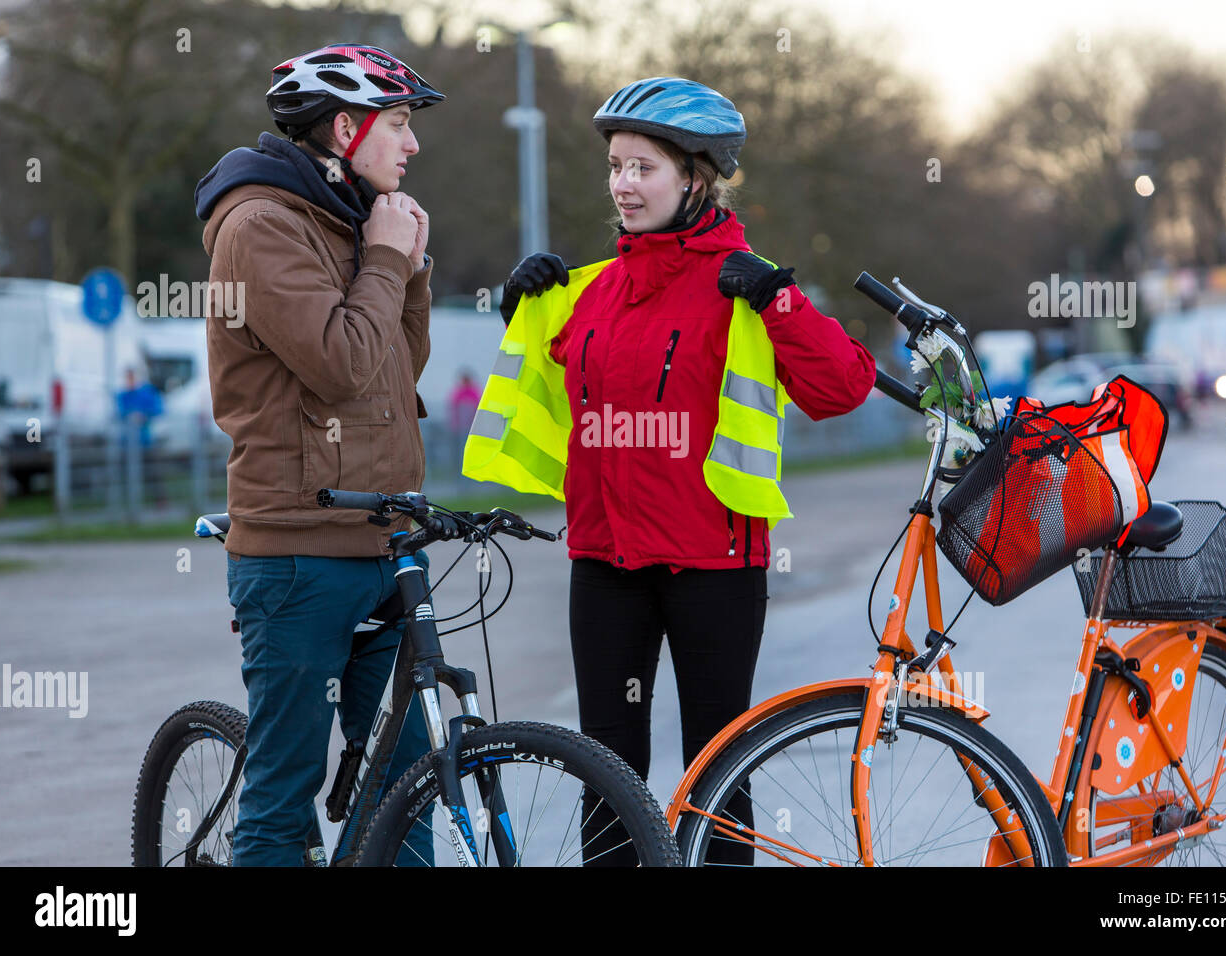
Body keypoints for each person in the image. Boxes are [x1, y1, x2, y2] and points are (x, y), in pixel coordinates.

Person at [465, 77, 876, 864]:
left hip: (712, 563)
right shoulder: (589, 291)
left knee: (719, 767)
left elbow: (844, 387)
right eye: (616, 166)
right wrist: (520, 309)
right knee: (606, 769)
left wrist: (781, 302)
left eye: (643, 167)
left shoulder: (744, 287)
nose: (623, 184)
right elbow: (556, 392)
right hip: (606, 560)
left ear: (696, 176)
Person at [195, 43, 443, 866]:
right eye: (399, 124)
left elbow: (394, 367)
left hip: (386, 542)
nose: (410, 145)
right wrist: (383, 257)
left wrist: (406, 272)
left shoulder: (349, 218)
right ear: (345, 127)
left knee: (408, 795)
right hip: (300, 553)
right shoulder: (260, 224)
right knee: (281, 799)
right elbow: (338, 364)